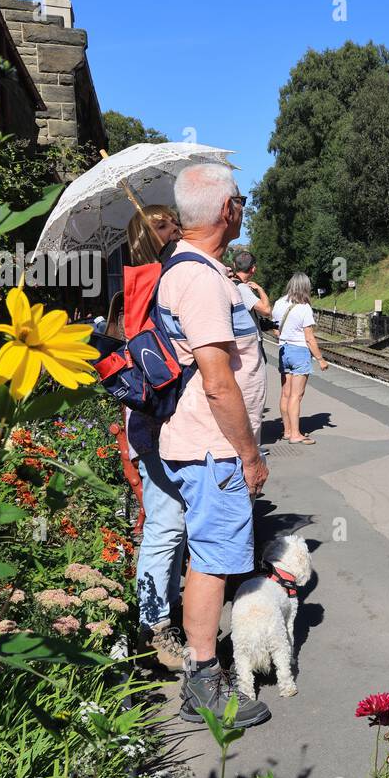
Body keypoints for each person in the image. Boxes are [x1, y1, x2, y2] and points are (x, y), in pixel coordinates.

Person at [156, 163, 271, 727]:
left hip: (206, 444)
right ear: (228, 209)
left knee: (212, 554)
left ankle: (203, 670)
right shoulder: (199, 280)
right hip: (213, 446)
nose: (243, 208)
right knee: (213, 559)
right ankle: (202, 681)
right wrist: (250, 455)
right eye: (241, 200)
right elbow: (218, 379)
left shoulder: (204, 271)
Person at [117, 206, 188, 670]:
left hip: (152, 420)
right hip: (152, 422)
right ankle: (154, 628)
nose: (179, 230)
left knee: (172, 521)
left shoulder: (141, 284)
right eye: (167, 225)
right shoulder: (151, 283)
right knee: (165, 524)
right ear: (151, 236)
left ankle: (161, 617)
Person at [276, 272, 329, 445]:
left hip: (284, 350)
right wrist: (320, 359)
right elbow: (309, 338)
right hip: (299, 352)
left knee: (285, 393)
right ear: (306, 287)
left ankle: (287, 431)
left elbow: (276, 330)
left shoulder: (279, 303)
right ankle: (296, 434)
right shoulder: (304, 308)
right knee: (296, 396)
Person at [229, 249, 272, 320]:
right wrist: (260, 289)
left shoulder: (230, 282)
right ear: (253, 269)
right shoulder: (241, 288)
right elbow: (266, 311)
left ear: (234, 265)